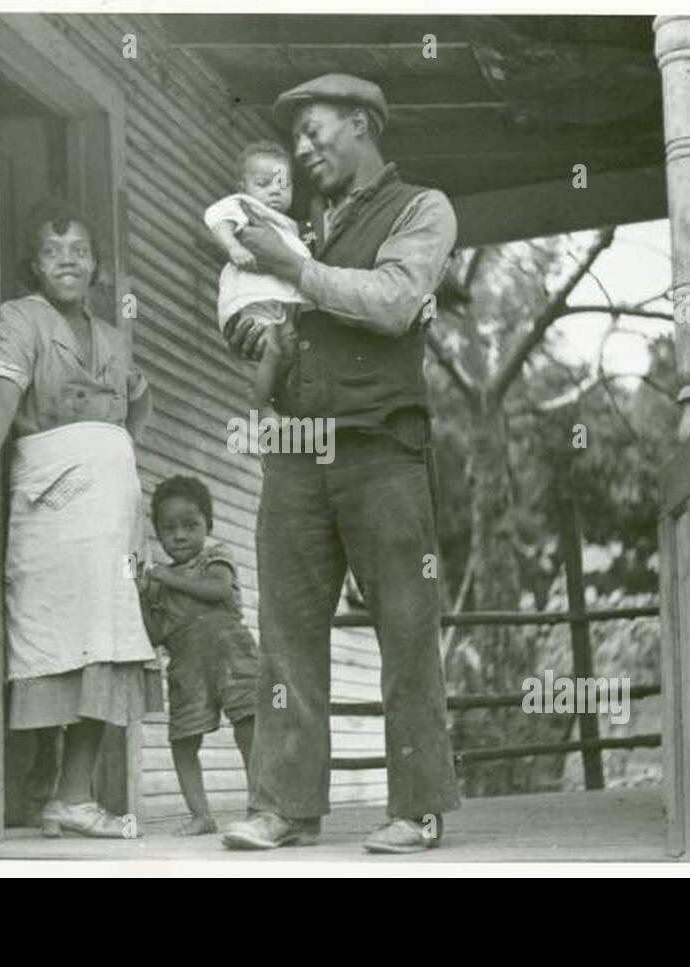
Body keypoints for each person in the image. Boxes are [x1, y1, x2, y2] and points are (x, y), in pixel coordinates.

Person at [217, 74, 462, 854]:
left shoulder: (423, 208)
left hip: (382, 445)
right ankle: (284, 805)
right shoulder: (305, 225)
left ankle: (417, 807)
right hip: (295, 446)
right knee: (285, 630)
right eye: (296, 139)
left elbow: (392, 301)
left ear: (362, 123)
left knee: (406, 627)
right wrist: (262, 337)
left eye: (316, 132)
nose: (302, 149)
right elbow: (291, 307)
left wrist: (291, 270)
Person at [0, 198, 160, 839]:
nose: (68, 262)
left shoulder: (112, 337)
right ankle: (41, 792)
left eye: (80, 252)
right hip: (54, 499)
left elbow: (138, 400)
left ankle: (73, 795)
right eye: (54, 253)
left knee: (107, 644)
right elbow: (1, 396)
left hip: (111, 506)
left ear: (96, 267)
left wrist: (120, 453)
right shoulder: (22, 318)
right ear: (34, 266)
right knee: (50, 640)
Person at [137, 476, 259, 836]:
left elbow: (218, 589)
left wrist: (165, 579)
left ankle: (260, 806)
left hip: (232, 654)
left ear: (209, 524)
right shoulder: (158, 583)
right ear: (158, 533)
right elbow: (156, 635)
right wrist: (142, 598)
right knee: (183, 739)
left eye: (191, 525)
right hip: (186, 665)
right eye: (169, 528)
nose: (180, 535)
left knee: (249, 726)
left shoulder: (215, 555)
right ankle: (201, 814)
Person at [203, 140, 311, 408]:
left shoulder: (288, 226)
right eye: (264, 184)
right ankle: (261, 406)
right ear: (244, 188)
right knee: (271, 349)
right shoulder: (245, 206)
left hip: (279, 304)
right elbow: (217, 218)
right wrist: (232, 246)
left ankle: (277, 403)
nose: (275, 190)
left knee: (289, 348)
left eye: (282, 183)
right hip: (251, 298)